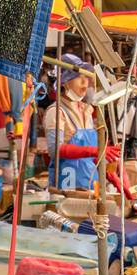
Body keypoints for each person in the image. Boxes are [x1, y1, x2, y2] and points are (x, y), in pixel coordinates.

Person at [44, 53, 98, 191]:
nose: (84, 81)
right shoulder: (56, 111)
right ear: (64, 81)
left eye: (86, 77)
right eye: (79, 77)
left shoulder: (87, 111)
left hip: (90, 184)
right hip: (66, 187)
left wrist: (109, 172)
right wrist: (92, 151)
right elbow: (54, 149)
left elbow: (92, 158)